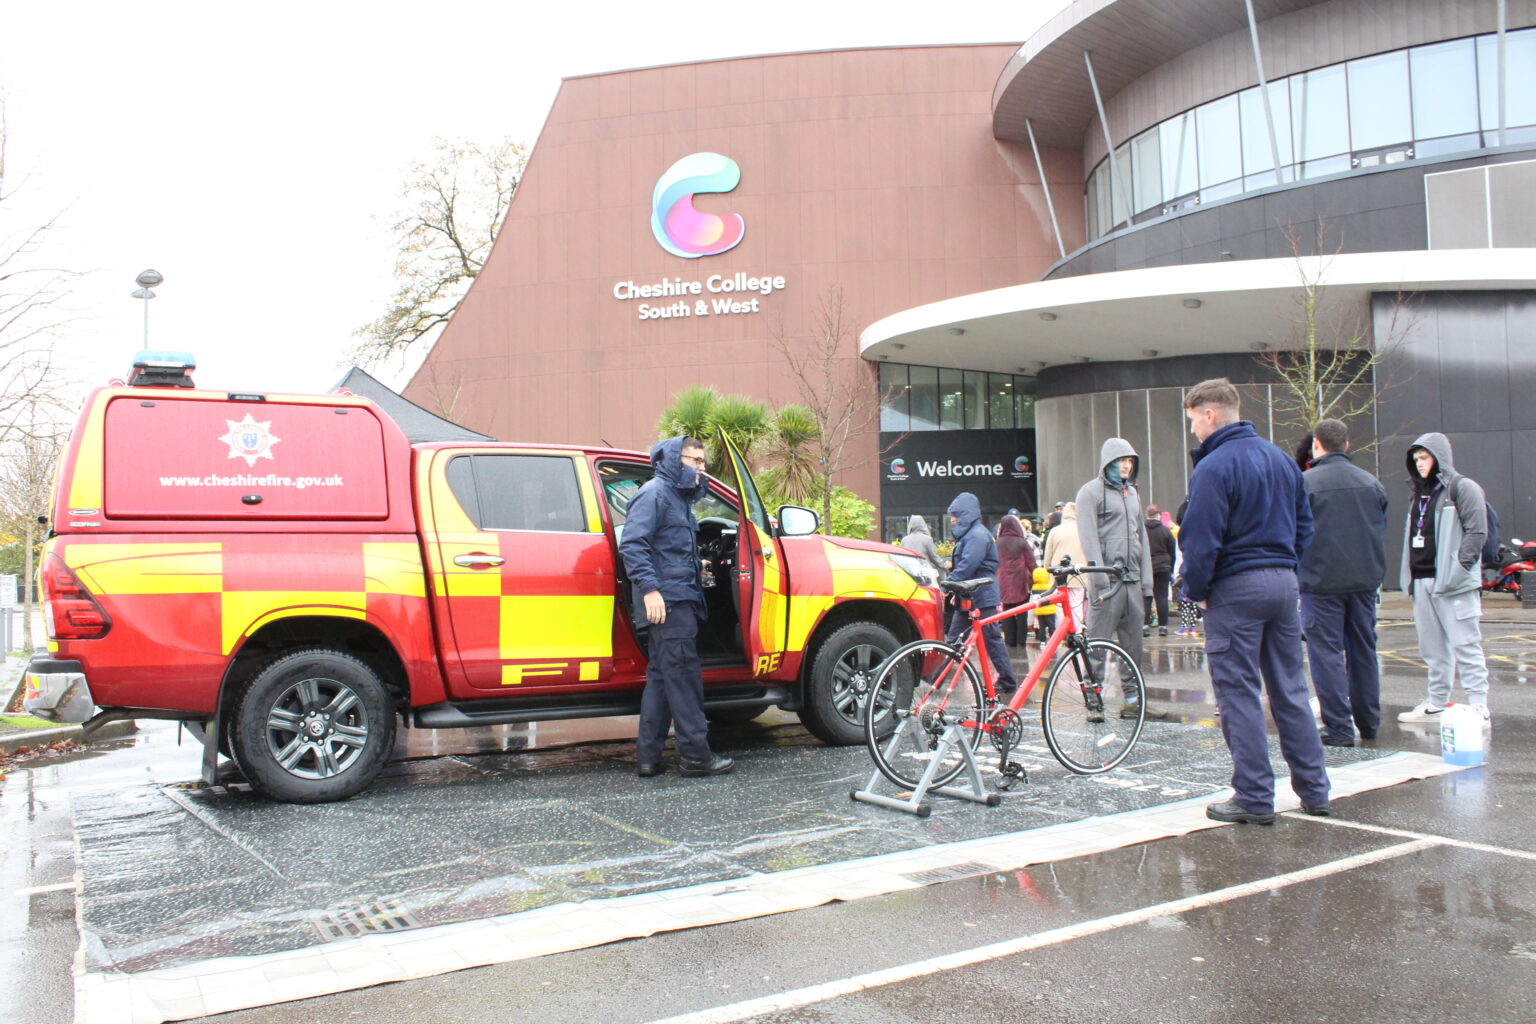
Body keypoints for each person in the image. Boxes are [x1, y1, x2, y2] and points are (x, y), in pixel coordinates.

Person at [1179, 378, 1329, 824]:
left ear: (1210, 414)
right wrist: (1285, 565)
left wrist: (1197, 591)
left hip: (1235, 588)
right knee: (1290, 690)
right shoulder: (1281, 460)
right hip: (1283, 583)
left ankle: (1254, 796)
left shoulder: (1213, 467)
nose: (1193, 430)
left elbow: (1201, 540)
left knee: (1239, 693)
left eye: (1193, 420)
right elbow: (1305, 525)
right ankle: (1315, 790)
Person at [619, 436, 734, 778]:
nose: (701, 468)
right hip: (669, 601)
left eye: (703, 461)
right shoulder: (655, 493)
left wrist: (696, 565)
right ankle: (696, 757)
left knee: (661, 678)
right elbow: (633, 545)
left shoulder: (677, 498)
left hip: (677, 596)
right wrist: (651, 590)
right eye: (695, 460)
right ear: (673, 459)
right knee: (684, 678)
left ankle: (649, 757)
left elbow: (666, 548)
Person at [1298, 418, 1389, 746]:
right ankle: (1369, 722)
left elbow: (1294, 533)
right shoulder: (1371, 483)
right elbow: (1379, 530)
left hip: (1320, 583)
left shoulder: (1304, 484)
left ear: (1316, 445)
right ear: (1347, 445)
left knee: (1327, 655)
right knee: (1363, 651)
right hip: (1363, 582)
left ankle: (1339, 727)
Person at [1396, 433, 1492, 724]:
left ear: (1439, 457)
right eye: (1416, 459)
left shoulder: (1463, 488)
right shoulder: (1418, 493)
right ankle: (1437, 703)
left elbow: (1478, 531)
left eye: (1424, 457)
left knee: (1466, 644)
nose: (1419, 463)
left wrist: (1459, 568)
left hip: (1453, 582)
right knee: (1433, 648)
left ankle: (1479, 707)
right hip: (1422, 580)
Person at [1075, 439, 1164, 719]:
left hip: (1132, 581)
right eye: (1122, 460)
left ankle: (1134, 701)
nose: (1127, 465)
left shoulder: (1132, 494)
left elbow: (1141, 539)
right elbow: (1089, 539)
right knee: (1097, 645)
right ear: (1109, 462)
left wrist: (1146, 582)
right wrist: (1100, 580)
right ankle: (1094, 701)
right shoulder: (1090, 493)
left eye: (1130, 461)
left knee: (1133, 647)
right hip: (1108, 583)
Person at [945, 492, 1019, 696]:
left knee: (985, 639)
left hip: (979, 594)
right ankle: (937, 677)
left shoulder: (976, 535)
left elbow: (968, 565)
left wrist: (948, 586)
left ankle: (1007, 680)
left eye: (955, 515)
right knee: (960, 640)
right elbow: (968, 566)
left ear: (965, 514)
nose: (952, 519)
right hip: (974, 593)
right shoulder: (975, 534)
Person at [1042, 500, 1088, 636]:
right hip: (1079, 575)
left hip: (1059, 575)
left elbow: (1047, 557)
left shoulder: (1055, 531)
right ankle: (1076, 633)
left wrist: (1049, 571)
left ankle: (1062, 633)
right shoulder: (1083, 530)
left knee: (1060, 606)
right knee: (1076, 605)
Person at [995, 514, 1037, 653]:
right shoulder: (1022, 542)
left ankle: (1010, 641)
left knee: (1007, 611)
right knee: (1022, 612)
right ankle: (1021, 642)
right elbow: (1031, 562)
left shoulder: (998, 543)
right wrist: (1035, 578)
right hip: (1021, 581)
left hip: (1003, 582)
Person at [1143, 504, 1177, 637]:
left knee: (1146, 596)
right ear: (1158, 516)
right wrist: (1171, 568)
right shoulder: (1165, 531)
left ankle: (1145, 626)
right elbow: (1172, 552)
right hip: (1163, 567)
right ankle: (1162, 627)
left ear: (1147, 515)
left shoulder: (1142, 531)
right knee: (1162, 597)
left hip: (1146, 567)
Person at [900, 515, 946, 582]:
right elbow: (933, 557)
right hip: (924, 573)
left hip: (909, 572)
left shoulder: (904, 540)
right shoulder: (927, 539)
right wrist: (945, 565)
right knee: (941, 570)